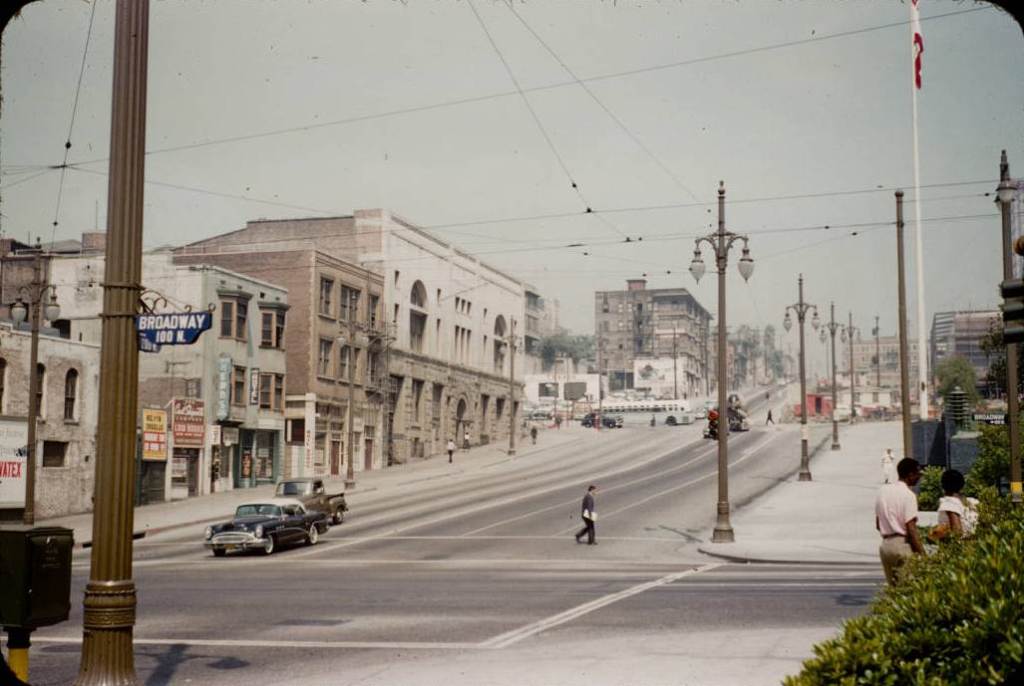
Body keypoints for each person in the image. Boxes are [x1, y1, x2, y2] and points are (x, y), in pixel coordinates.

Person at [875, 457, 924, 585]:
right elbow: (911, 528)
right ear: (910, 474)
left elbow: (878, 524)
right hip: (902, 545)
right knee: (908, 588)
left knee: (894, 590)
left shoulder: (882, 491)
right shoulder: (909, 495)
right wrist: (922, 553)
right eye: (918, 474)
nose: (919, 477)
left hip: (885, 546)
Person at [932, 469, 978, 541]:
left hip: (958, 546)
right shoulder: (972, 502)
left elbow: (957, 532)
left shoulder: (949, 503)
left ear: (942, 485)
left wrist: (938, 535)